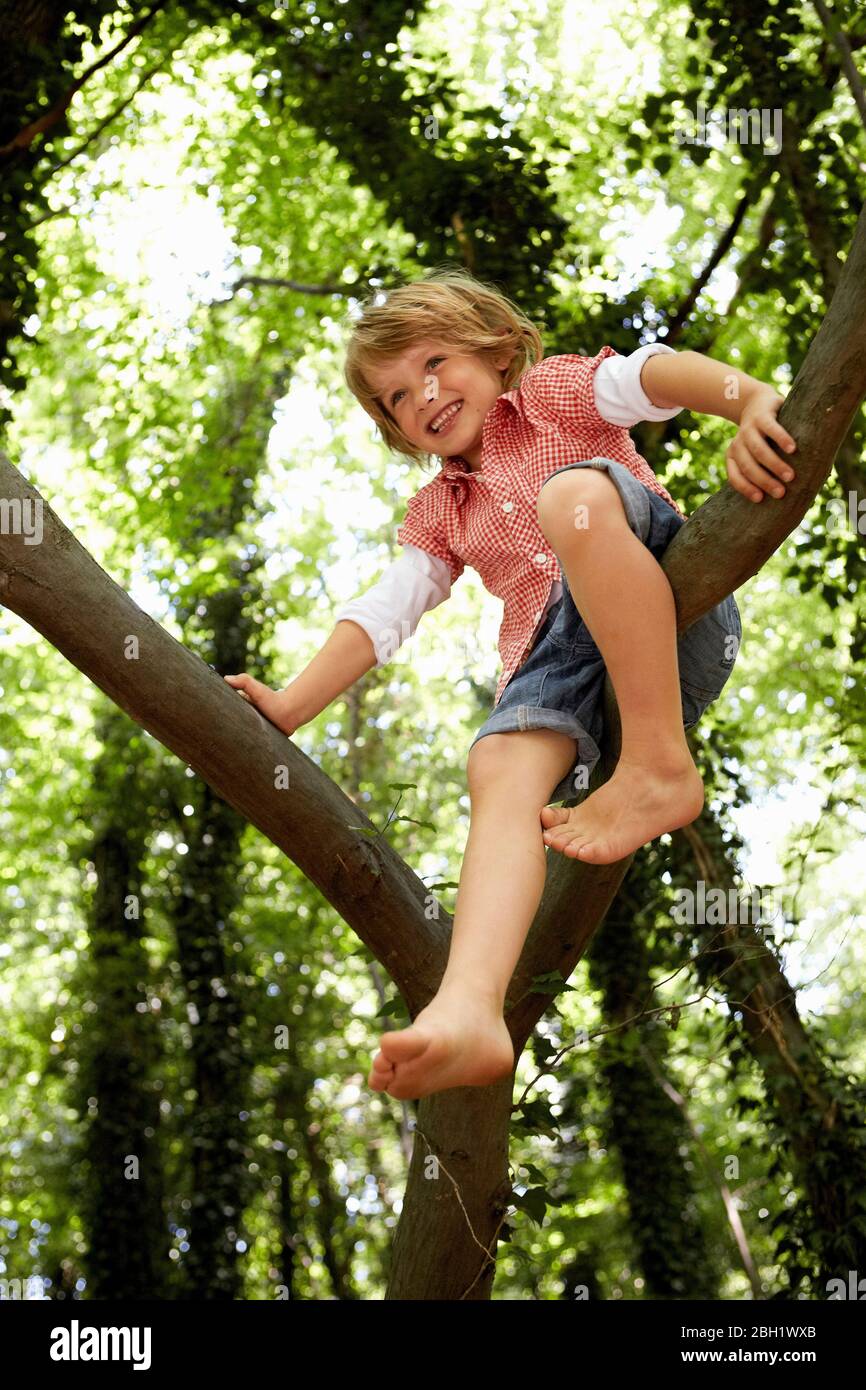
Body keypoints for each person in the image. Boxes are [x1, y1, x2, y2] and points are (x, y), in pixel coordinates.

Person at [224, 268, 797, 1100]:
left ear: (495, 352)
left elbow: (654, 372)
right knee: (495, 767)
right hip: (562, 661)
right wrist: (289, 705)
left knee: (572, 497)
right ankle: (468, 1009)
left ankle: (658, 764)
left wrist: (749, 400)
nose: (418, 397)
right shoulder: (440, 512)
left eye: (432, 364)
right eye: (393, 399)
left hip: (668, 608)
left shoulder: (559, 392)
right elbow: (385, 611)